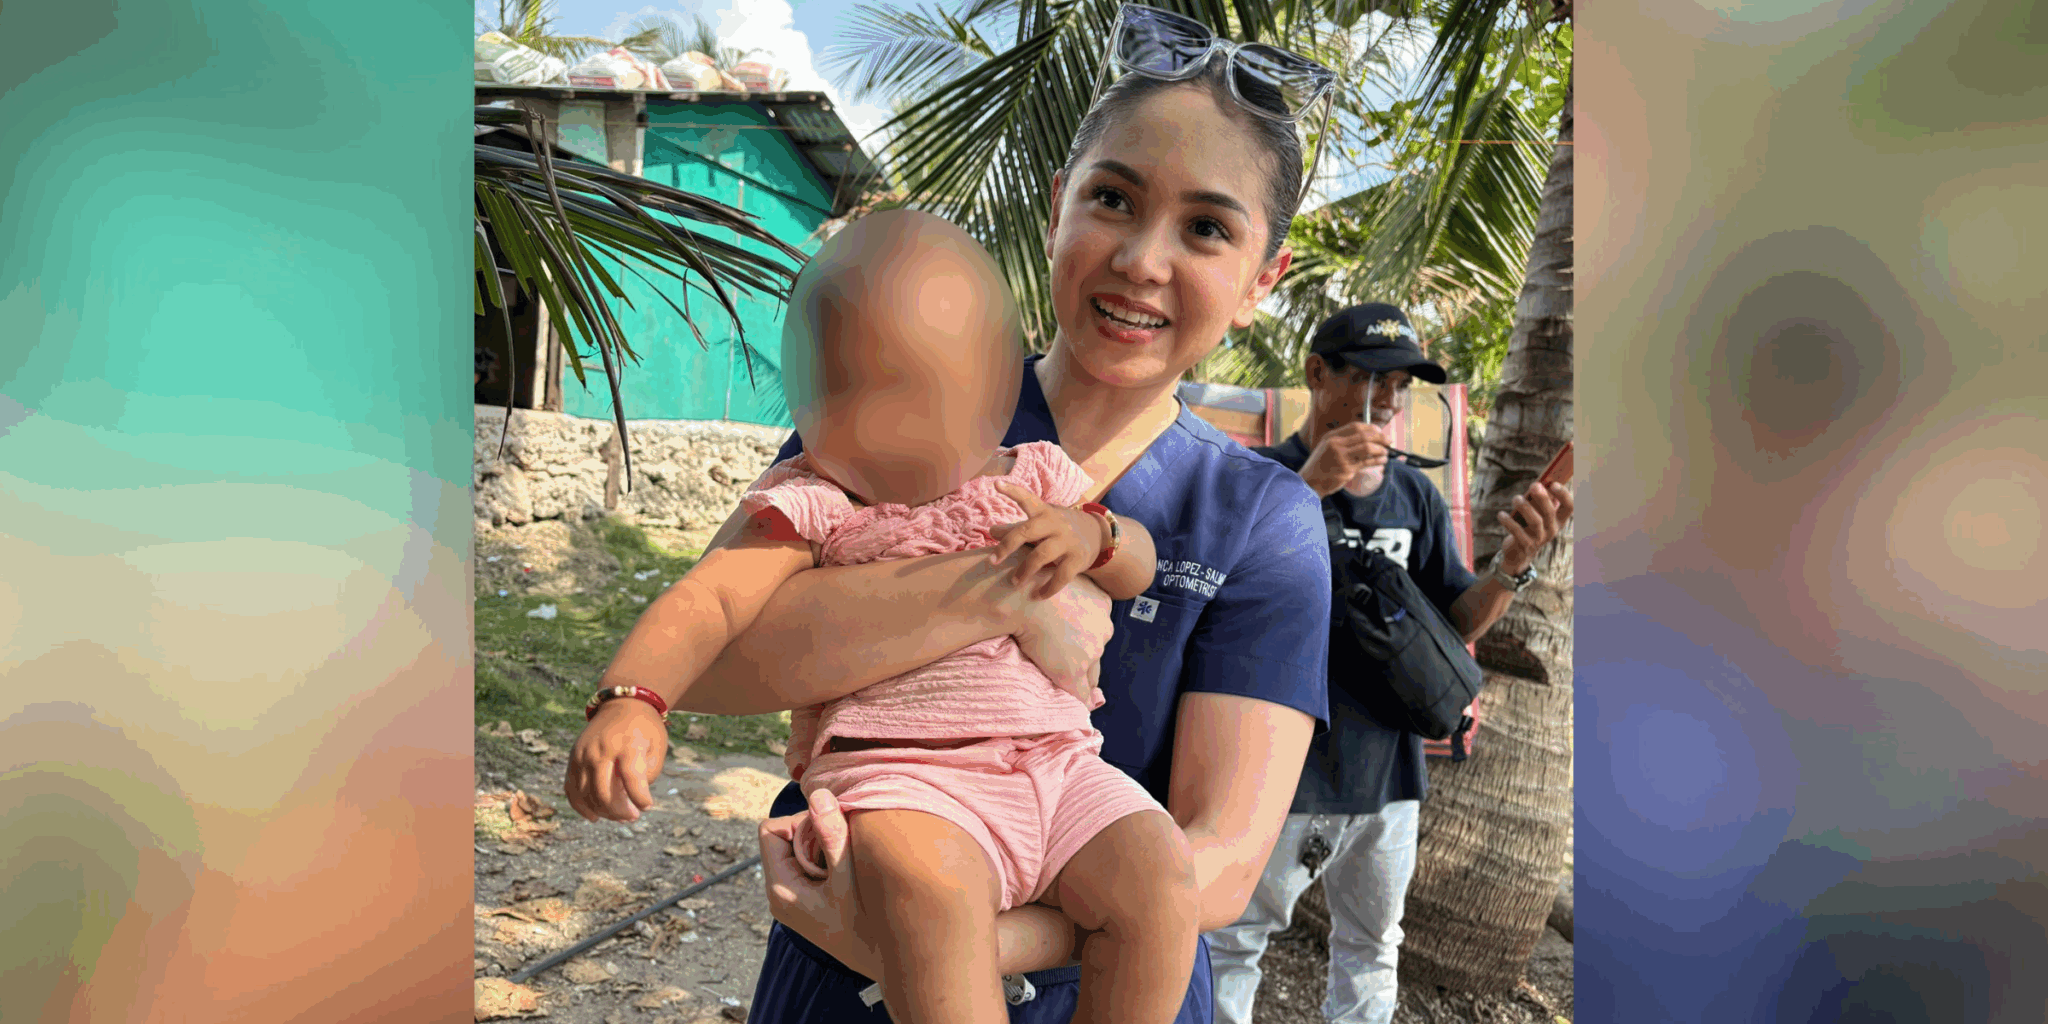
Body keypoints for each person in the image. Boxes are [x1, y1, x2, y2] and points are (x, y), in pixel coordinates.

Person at [564, 8, 1342, 1021]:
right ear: (1058, 206)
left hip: (1036, 960)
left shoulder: (1258, 516)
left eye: (1205, 227)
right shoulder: (881, 404)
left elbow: (1222, 860)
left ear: (1259, 281)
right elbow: (715, 654)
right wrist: (1000, 596)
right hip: (856, 956)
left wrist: (937, 939)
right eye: (1112, 199)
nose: (1142, 261)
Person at [591, 207, 1202, 1024]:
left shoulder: (1038, 477)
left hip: (1055, 766)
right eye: (846, 395)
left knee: (1159, 879)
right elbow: (709, 598)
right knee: (929, 899)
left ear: (989, 387)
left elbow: (1138, 568)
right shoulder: (815, 497)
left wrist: (1094, 533)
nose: (882, 431)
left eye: (920, 396)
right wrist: (635, 698)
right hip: (904, 778)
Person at [1204, 302, 1575, 1024]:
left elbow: (1456, 621)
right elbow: (1209, 590)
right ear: (1317, 374)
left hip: (1393, 773)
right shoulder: (1259, 476)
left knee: (1373, 949)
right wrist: (1306, 487)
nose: (1389, 402)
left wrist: (1512, 567)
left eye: (1402, 386)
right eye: (1373, 380)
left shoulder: (1415, 495)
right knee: (1234, 939)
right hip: (1287, 768)